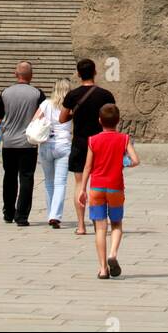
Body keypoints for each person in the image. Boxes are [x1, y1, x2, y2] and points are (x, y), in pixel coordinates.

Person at [78, 103, 139, 279]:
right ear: (118, 121)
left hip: (96, 186)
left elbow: (88, 166)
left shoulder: (93, 140)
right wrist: (122, 162)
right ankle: (113, 254)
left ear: (99, 120)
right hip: (115, 187)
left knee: (100, 228)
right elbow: (135, 160)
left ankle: (103, 269)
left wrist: (83, 189)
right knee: (117, 224)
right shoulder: (124, 139)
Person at [60, 59, 115, 235]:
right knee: (100, 183)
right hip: (100, 143)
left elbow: (62, 118)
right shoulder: (106, 95)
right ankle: (100, 222)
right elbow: (112, 118)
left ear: (78, 74)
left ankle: (81, 225)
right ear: (95, 72)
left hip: (80, 142)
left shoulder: (73, 95)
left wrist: (75, 115)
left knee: (79, 184)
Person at [0, 61, 45, 227]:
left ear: (16, 74)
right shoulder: (37, 94)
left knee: (9, 177)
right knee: (26, 178)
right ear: (31, 76)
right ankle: (22, 216)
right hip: (28, 143)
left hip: (9, 143)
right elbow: (42, 117)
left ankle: (8, 212)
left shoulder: (6, 93)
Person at [33, 76, 72, 227]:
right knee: (60, 182)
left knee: (48, 182)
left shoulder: (46, 104)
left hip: (46, 144)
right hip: (63, 144)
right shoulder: (71, 106)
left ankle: (51, 214)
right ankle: (55, 215)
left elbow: (34, 121)